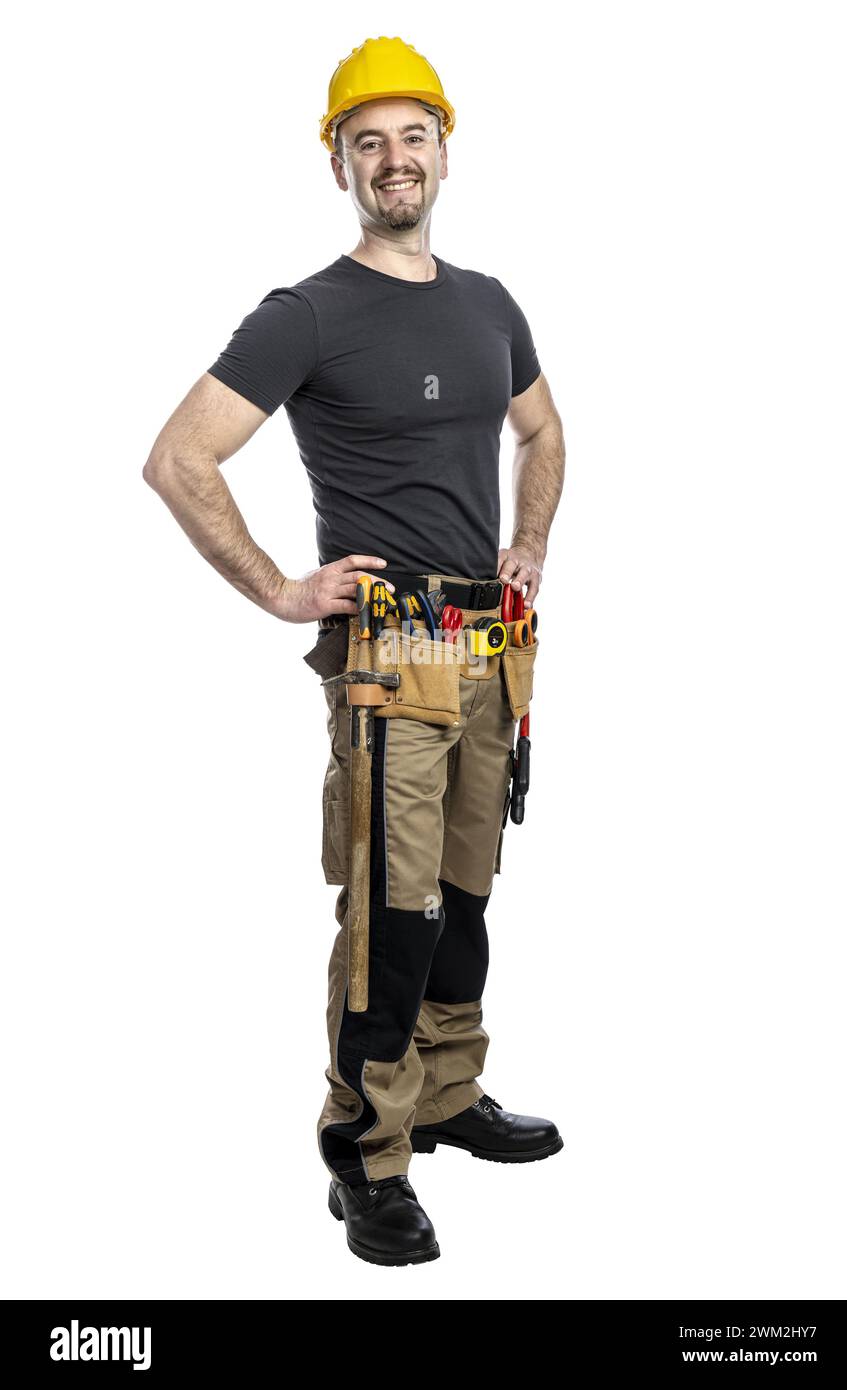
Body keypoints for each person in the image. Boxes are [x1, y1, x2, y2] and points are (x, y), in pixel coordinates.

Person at [143, 35, 566, 1267]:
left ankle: (445, 1097)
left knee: (471, 897)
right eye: (367, 139)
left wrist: (528, 543)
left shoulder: (492, 303)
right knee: (395, 909)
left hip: (493, 644)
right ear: (338, 160)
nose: (394, 158)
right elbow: (179, 456)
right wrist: (281, 587)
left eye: (411, 134)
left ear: (445, 147)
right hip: (390, 659)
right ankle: (365, 1156)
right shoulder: (308, 313)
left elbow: (545, 435)